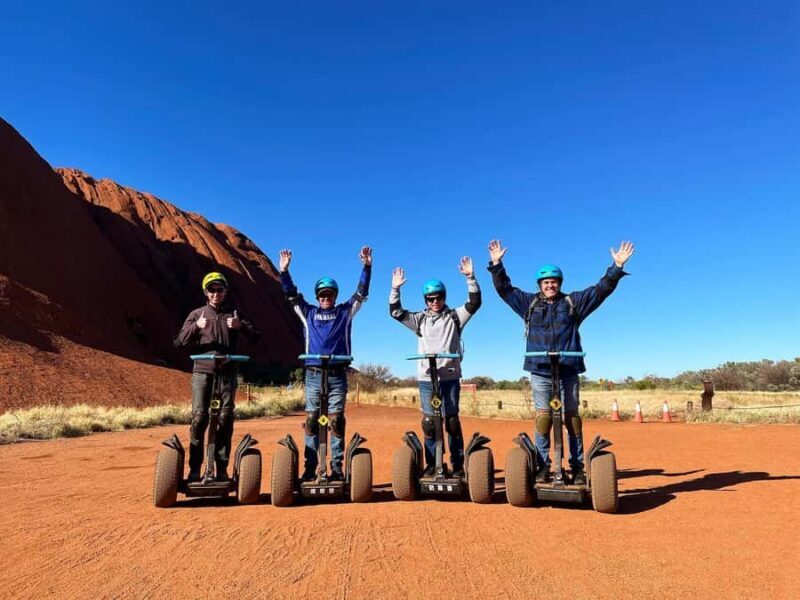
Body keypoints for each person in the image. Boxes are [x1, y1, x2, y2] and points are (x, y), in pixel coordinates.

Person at [487, 240, 635, 484]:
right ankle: (543, 466)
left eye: (553, 281)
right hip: (540, 370)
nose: (550, 285)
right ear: (540, 285)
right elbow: (505, 290)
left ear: (559, 283)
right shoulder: (529, 303)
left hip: (568, 368)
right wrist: (496, 264)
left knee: (571, 418)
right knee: (544, 417)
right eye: (545, 282)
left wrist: (616, 266)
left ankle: (577, 467)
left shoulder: (572, 303)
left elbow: (600, 291)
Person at [279, 246, 372, 481]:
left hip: (337, 374)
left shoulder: (344, 313)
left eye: (329, 294)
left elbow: (361, 294)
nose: (326, 298)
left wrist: (366, 267)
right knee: (312, 420)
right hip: (312, 374)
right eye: (322, 295)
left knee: (336, 420)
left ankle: (337, 468)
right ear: (317, 297)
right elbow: (291, 295)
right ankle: (311, 468)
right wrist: (284, 271)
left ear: (335, 296)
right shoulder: (308, 312)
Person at [389, 257, 481, 478]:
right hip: (426, 378)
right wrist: (395, 289)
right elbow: (395, 312)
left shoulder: (454, 317)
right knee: (430, 423)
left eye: (438, 298)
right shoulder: (419, 319)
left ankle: (457, 466)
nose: (434, 302)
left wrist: (470, 278)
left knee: (451, 421)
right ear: (426, 300)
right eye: (430, 299)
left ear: (444, 297)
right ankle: (433, 464)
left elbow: (474, 303)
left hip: (449, 377)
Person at [174, 271, 259, 482]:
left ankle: (221, 469)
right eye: (211, 290)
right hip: (203, 372)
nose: (216, 293)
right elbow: (179, 341)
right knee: (199, 418)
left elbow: (255, 338)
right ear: (206, 292)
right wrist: (196, 327)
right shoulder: (197, 314)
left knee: (225, 418)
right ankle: (195, 469)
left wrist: (240, 326)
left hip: (227, 373)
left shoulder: (234, 314)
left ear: (225, 291)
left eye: (219, 289)